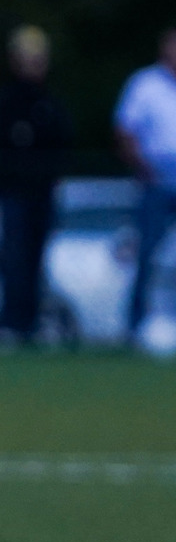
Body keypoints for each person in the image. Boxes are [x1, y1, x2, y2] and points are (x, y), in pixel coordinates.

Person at [0, 25, 70, 345]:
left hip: (42, 192)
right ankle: (11, 323)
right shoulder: (6, 100)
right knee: (13, 259)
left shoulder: (50, 102)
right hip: (13, 192)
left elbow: (62, 142)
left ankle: (34, 323)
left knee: (37, 261)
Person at [115, 25, 176, 336]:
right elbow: (126, 130)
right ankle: (136, 326)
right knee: (148, 253)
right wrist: (144, 168)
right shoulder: (144, 84)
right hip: (156, 179)